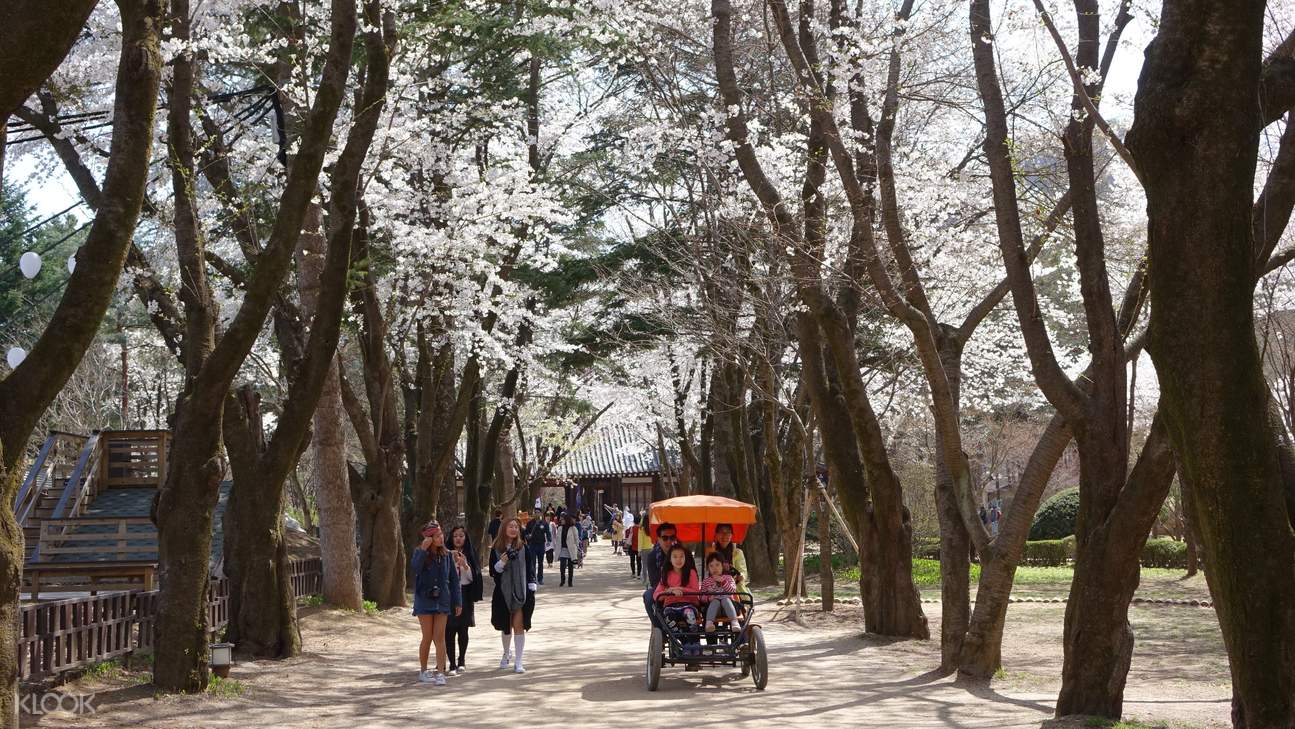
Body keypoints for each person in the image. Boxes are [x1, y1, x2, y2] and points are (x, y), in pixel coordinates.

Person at [411, 521, 462, 685]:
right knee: (427, 637)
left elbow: (454, 581)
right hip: (424, 600)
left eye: (441, 535)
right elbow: (415, 568)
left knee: (439, 637)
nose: (441, 538)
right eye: (437, 536)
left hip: (442, 600)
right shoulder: (420, 553)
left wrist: (458, 602)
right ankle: (423, 671)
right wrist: (423, 550)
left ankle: (441, 672)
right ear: (428, 538)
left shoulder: (447, 556)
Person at [489, 517, 537, 674]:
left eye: (516, 527)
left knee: (519, 626)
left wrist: (531, 585)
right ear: (504, 528)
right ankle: (506, 652)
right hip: (503, 592)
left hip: (521, 592)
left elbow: (530, 568)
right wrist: (501, 563)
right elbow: (493, 572)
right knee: (506, 626)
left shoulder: (523, 547)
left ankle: (518, 660)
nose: (514, 529)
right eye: (510, 526)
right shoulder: (496, 548)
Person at [446, 525, 483, 674]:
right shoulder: (446, 553)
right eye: (455, 536)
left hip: (465, 594)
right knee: (448, 630)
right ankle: (452, 664)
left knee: (463, 630)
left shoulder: (470, 553)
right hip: (449, 596)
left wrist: (465, 566)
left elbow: (474, 577)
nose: (458, 538)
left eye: (461, 535)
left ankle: (462, 660)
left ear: (465, 538)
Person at [653, 543, 701, 654]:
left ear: (685, 557)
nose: (678, 560)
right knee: (668, 617)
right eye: (675, 556)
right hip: (670, 606)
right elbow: (656, 595)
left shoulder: (691, 573)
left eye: (681, 556)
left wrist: (681, 589)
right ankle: (684, 643)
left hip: (688, 605)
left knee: (689, 613)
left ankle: (694, 642)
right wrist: (670, 591)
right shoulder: (666, 574)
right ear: (670, 559)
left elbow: (696, 592)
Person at [641, 522, 678, 625]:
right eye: (665, 538)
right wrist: (670, 590)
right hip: (663, 589)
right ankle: (660, 628)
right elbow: (654, 582)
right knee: (648, 595)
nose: (669, 541)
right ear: (658, 539)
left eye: (672, 537)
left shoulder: (683, 553)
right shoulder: (653, 556)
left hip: (682, 589)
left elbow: (692, 575)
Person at [707, 523, 751, 600]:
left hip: (734, 587)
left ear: (731, 535)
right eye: (721, 532)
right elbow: (708, 571)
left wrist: (741, 576)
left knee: (742, 606)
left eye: (728, 532)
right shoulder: (711, 552)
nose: (725, 535)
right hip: (714, 588)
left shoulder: (737, 552)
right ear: (716, 535)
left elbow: (743, 571)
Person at [699, 552, 738, 633]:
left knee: (725, 599)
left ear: (722, 566)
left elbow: (732, 590)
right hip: (713, 608)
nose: (714, 568)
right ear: (708, 568)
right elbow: (701, 596)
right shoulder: (706, 581)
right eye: (711, 566)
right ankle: (709, 623)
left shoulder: (728, 578)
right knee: (715, 601)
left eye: (717, 565)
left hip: (728, 607)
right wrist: (709, 598)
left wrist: (723, 582)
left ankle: (734, 621)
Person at [524, 509, 551, 585]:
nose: (536, 514)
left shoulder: (544, 523)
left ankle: (540, 578)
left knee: (540, 563)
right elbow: (526, 533)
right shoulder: (530, 523)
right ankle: (533, 578)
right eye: (535, 512)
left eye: (538, 512)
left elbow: (548, 532)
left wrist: (549, 539)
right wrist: (527, 536)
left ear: (541, 514)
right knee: (532, 562)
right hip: (532, 545)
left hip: (541, 545)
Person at [557, 513, 581, 587]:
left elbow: (577, 539)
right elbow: (558, 540)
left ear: (566, 520)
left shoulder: (573, 528)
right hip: (563, 549)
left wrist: (578, 548)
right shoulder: (560, 528)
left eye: (563, 519)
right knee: (562, 566)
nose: (561, 520)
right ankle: (562, 580)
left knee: (571, 566)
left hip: (571, 549)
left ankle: (570, 581)